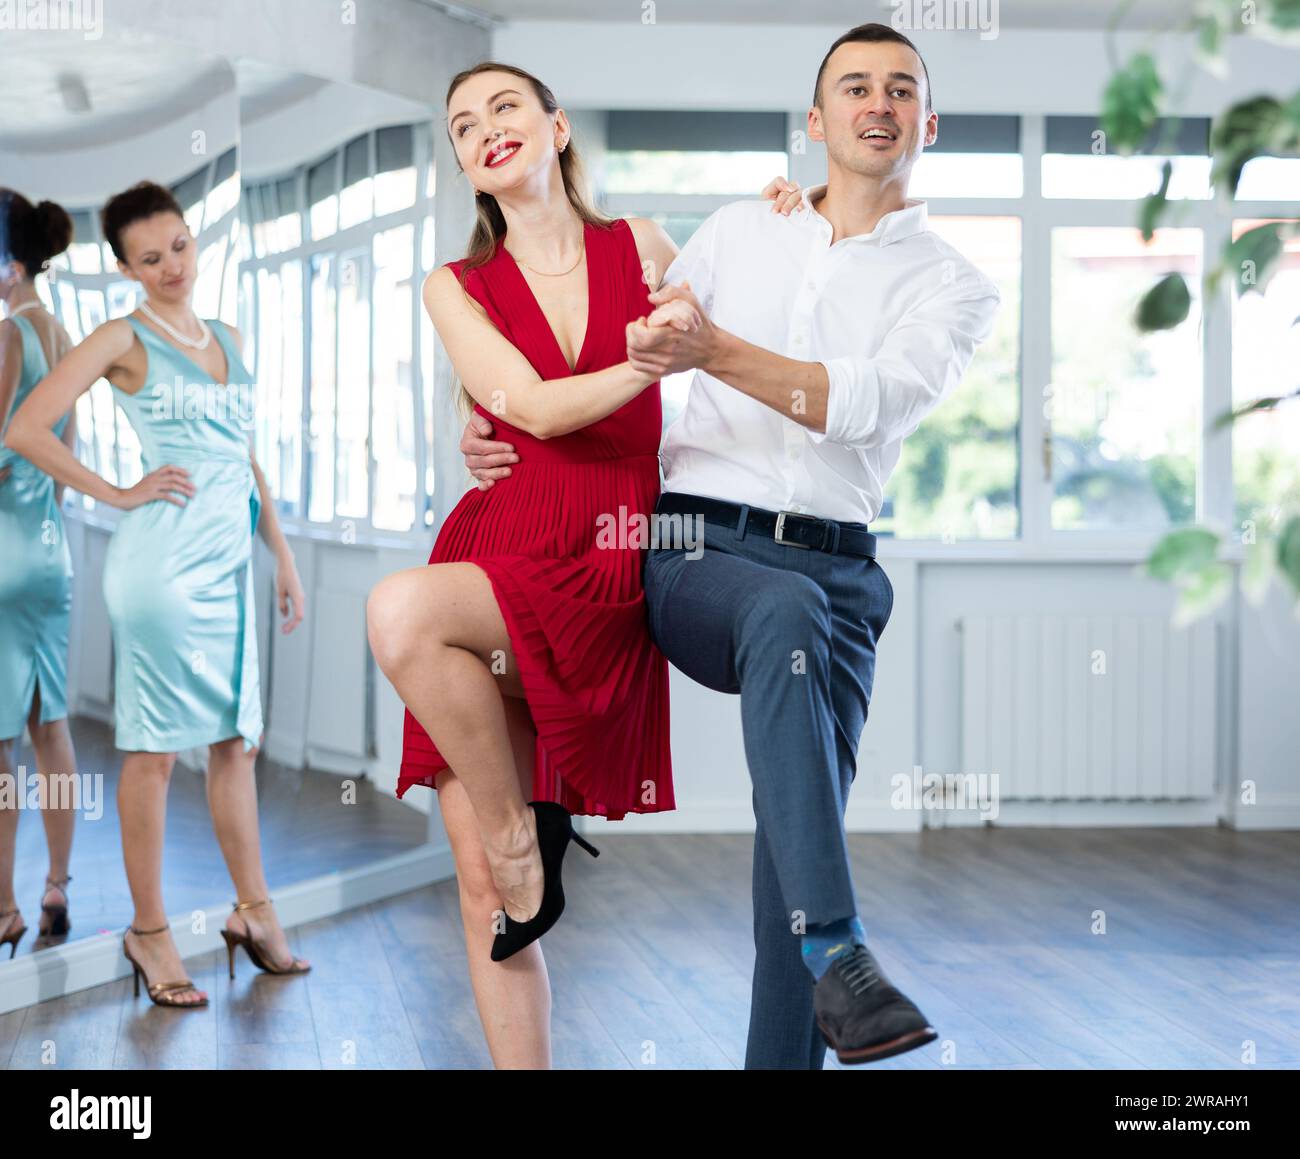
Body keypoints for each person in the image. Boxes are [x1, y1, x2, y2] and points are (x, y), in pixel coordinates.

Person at [459, 23, 1002, 1068]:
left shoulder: (952, 283)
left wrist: (716, 349)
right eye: (854, 86)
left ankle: (819, 971)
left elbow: (861, 402)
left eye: (900, 89)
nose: (876, 102)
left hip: (839, 575)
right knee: (779, 618)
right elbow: (593, 328)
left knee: (789, 880)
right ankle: (844, 949)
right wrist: (480, 412)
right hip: (695, 552)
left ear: (927, 124)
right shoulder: (735, 232)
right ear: (817, 120)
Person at [367, 60, 740, 1070]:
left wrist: (785, 218)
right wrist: (643, 365)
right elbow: (526, 408)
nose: (485, 128)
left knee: (400, 616)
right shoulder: (454, 285)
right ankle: (519, 835)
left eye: (505, 107)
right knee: (486, 884)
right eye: (461, 125)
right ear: (464, 167)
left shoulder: (645, 244)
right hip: (498, 539)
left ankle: (525, 830)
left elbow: (744, 336)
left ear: (555, 126)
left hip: (610, 543)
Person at [4, 180, 311, 1007]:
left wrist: (278, 551)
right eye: (150, 257)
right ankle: (149, 929)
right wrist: (118, 493)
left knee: (234, 743)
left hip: (229, 565)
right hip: (161, 570)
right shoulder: (120, 336)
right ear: (125, 267)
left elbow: (241, 456)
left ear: (190, 238)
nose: (172, 265)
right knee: (154, 751)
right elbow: (26, 428)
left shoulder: (230, 336)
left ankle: (255, 913)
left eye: (179, 244)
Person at [0, 189, 78, 955]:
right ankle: (58, 884)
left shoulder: (8, 335)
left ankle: (3, 905)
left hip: (2, 552)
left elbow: (1, 449)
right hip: (52, 551)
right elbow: (61, 464)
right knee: (49, 725)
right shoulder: (63, 338)